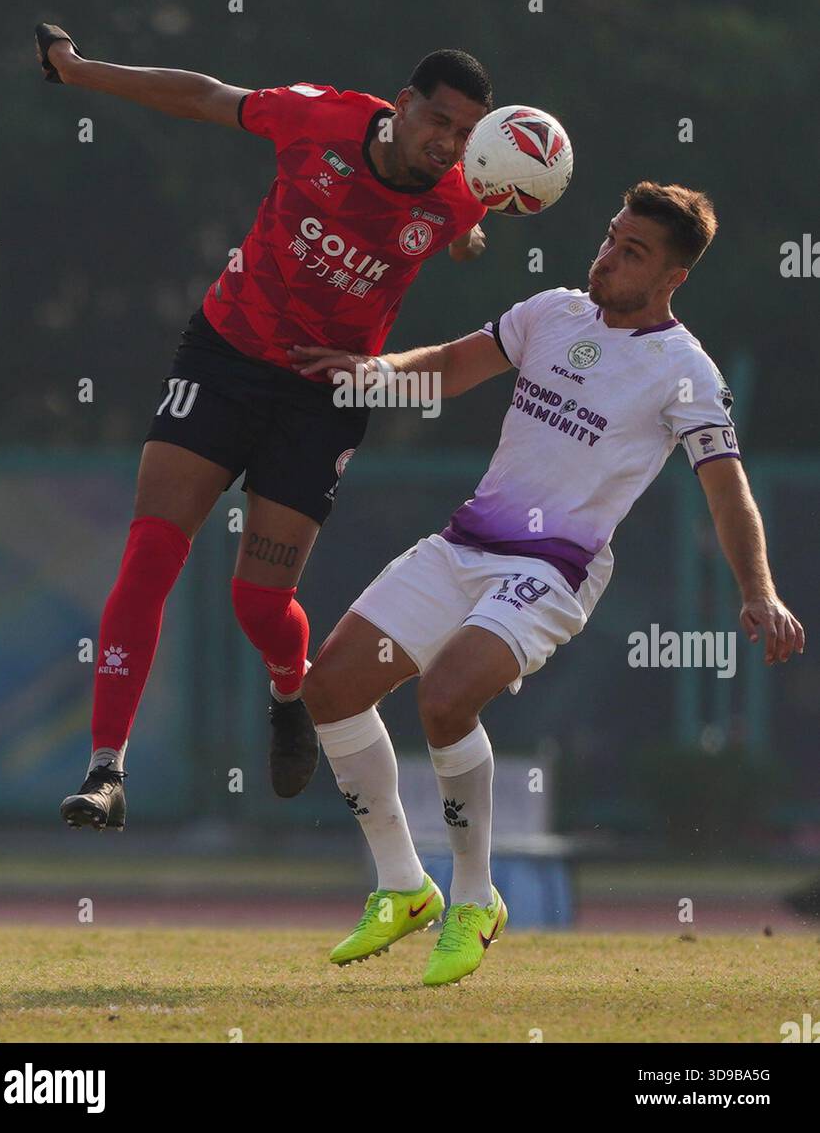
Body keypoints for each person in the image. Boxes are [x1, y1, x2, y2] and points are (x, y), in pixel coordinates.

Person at [293, 181, 805, 986]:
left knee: (446, 695)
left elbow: (725, 486)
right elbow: (448, 370)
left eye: (632, 252)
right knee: (328, 690)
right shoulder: (550, 312)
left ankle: (473, 899)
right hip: (465, 544)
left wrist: (758, 590)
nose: (607, 256)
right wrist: (368, 372)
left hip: (553, 568)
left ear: (673, 275)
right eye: (610, 236)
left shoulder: (687, 373)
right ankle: (401, 887)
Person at [33, 23, 491, 823]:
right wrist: (78, 70)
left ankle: (289, 689)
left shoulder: (454, 193)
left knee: (257, 604)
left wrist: (471, 234)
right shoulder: (319, 120)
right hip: (226, 359)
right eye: (438, 122)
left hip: (327, 397)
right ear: (402, 103)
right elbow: (203, 96)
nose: (447, 145)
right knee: (148, 557)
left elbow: (465, 224)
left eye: (464, 135)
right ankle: (108, 769)